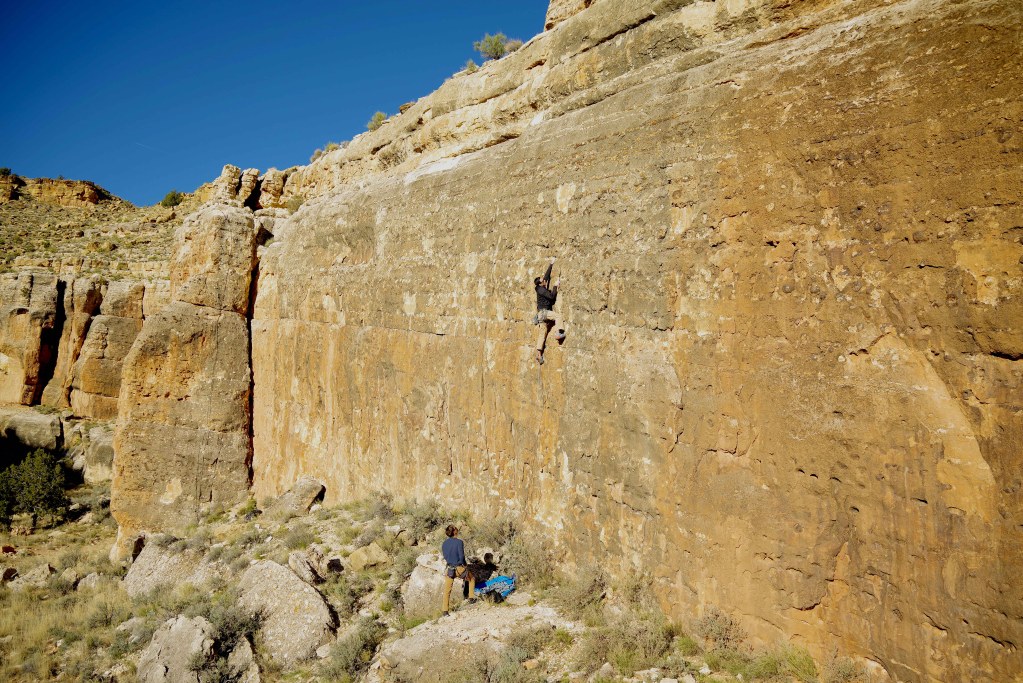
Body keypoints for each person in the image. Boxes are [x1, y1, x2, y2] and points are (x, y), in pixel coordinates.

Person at [441, 525, 476, 616]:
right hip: (459, 568)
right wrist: (465, 565)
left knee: (447, 590)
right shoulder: (459, 542)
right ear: (454, 532)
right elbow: (461, 556)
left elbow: (445, 556)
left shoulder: (444, 543)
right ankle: (471, 598)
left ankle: (445, 611)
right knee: (471, 579)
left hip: (449, 569)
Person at [534, 260, 562, 365]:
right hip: (544, 313)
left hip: (541, 314)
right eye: (543, 281)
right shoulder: (542, 290)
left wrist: (551, 264)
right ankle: (559, 333)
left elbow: (546, 276)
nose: (545, 280)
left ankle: (539, 354)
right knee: (558, 316)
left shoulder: (540, 287)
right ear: (541, 284)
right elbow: (551, 297)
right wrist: (555, 286)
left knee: (542, 333)